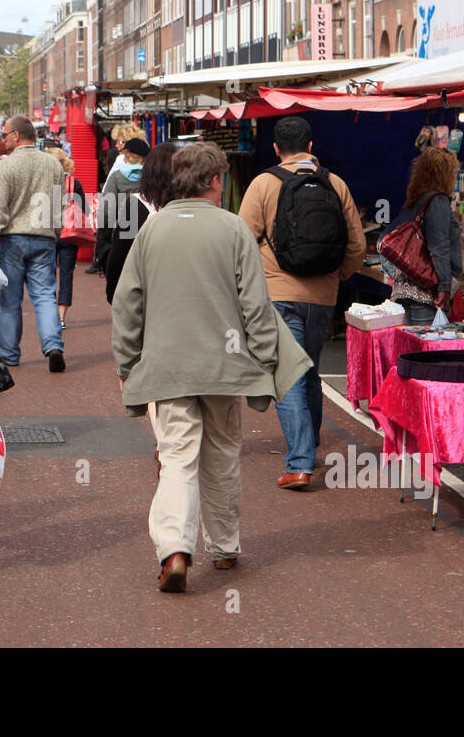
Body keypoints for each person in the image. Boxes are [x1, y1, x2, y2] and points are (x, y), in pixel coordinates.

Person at [111, 143, 308, 593]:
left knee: (178, 457)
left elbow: (128, 305)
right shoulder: (234, 229)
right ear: (216, 180)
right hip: (224, 364)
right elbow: (255, 305)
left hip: (167, 366)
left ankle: (176, 550)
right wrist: (264, 359)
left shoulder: (152, 230)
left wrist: (128, 361)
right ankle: (223, 547)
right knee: (221, 456)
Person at [238, 116, 366, 490]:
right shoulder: (335, 183)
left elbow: (243, 242)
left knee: (286, 374)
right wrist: (338, 276)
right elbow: (357, 245)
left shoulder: (263, 184)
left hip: (278, 294)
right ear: (311, 147)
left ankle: (300, 462)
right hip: (322, 297)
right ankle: (309, 442)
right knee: (308, 369)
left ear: (276, 149)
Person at [0, 115, 66, 372]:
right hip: (43, 236)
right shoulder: (52, 164)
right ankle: (53, 345)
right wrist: (55, 231)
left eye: (5, 135)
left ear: (17, 136)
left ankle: (9, 353)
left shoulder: (6, 166)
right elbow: (58, 202)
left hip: (12, 237)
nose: (3, 139)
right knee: (44, 295)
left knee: (10, 299)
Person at [383, 147, 462, 326]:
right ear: (445, 174)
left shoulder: (414, 202)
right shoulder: (438, 201)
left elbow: (386, 241)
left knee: (410, 350)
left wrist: (400, 276)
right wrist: (443, 287)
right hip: (426, 295)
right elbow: (439, 247)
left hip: (402, 293)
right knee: (426, 350)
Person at [104, 140, 176, 304]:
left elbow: (118, 256)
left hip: (145, 295)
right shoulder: (190, 206)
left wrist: (114, 294)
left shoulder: (136, 205)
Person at [91, 124, 147, 274]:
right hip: (148, 231)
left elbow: (107, 209)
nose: (117, 145)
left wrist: (104, 236)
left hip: (123, 229)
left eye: (120, 142)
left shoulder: (119, 172)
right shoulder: (153, 174)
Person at [46, 147, 85, 328]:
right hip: (69, 234)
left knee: (48, 275)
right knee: (67, 275)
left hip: (47, 234)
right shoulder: (74, 182)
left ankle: (51, 315)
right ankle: (61, 317)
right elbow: (82, 209)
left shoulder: (43, 182)